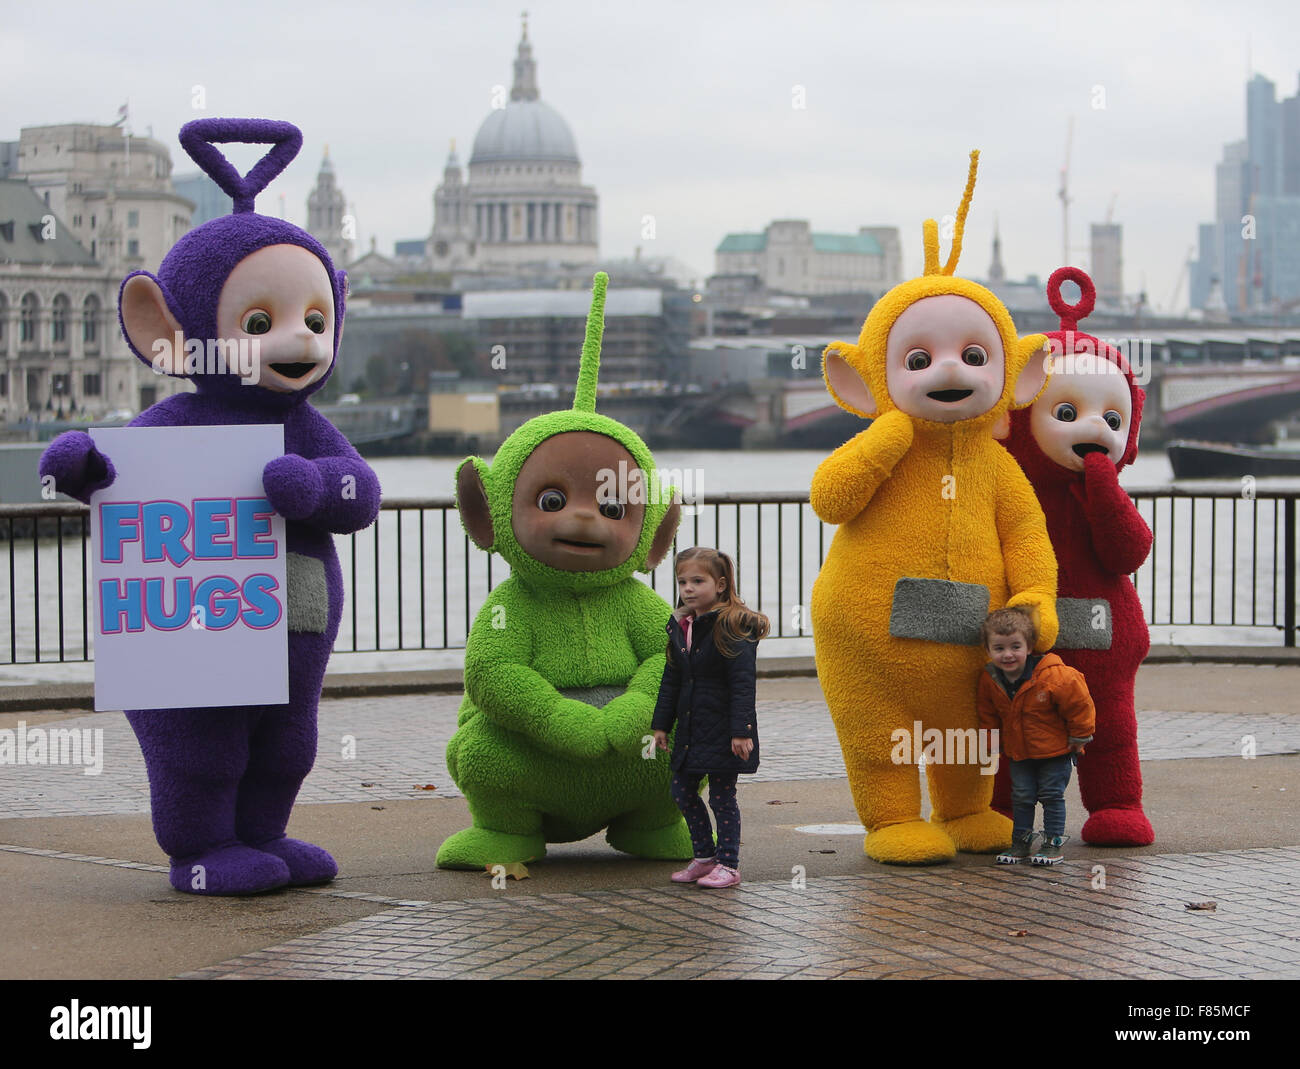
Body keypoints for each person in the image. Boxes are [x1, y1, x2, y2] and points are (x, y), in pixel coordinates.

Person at [652, 547, 770, 888]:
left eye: (697, 581)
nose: (687, 588)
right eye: (682, 581)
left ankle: (729, 864)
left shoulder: (733, 626)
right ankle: (704, 857)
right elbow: (672, 678)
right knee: (681, 790)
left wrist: (741, 731)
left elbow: (743, 684)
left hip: (725, 730)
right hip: (691, 727)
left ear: (720, 584)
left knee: (721, 797)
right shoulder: (681, 626)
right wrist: (661, 724)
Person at [976, 608, 1096, 866]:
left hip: (1055, 752)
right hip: (1019, 753)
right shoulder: (990, 679)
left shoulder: (1053, 675)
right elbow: (988, 714)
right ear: (987, 650)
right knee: (1021, 796)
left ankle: (1052, 843)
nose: (1008, 654)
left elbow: (1080, 704)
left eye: (1015, 646)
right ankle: (1020, 842)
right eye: (999, 648)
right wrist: (991, 743)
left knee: (1051, 795)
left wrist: (1080, 736)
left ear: (1029, 647)